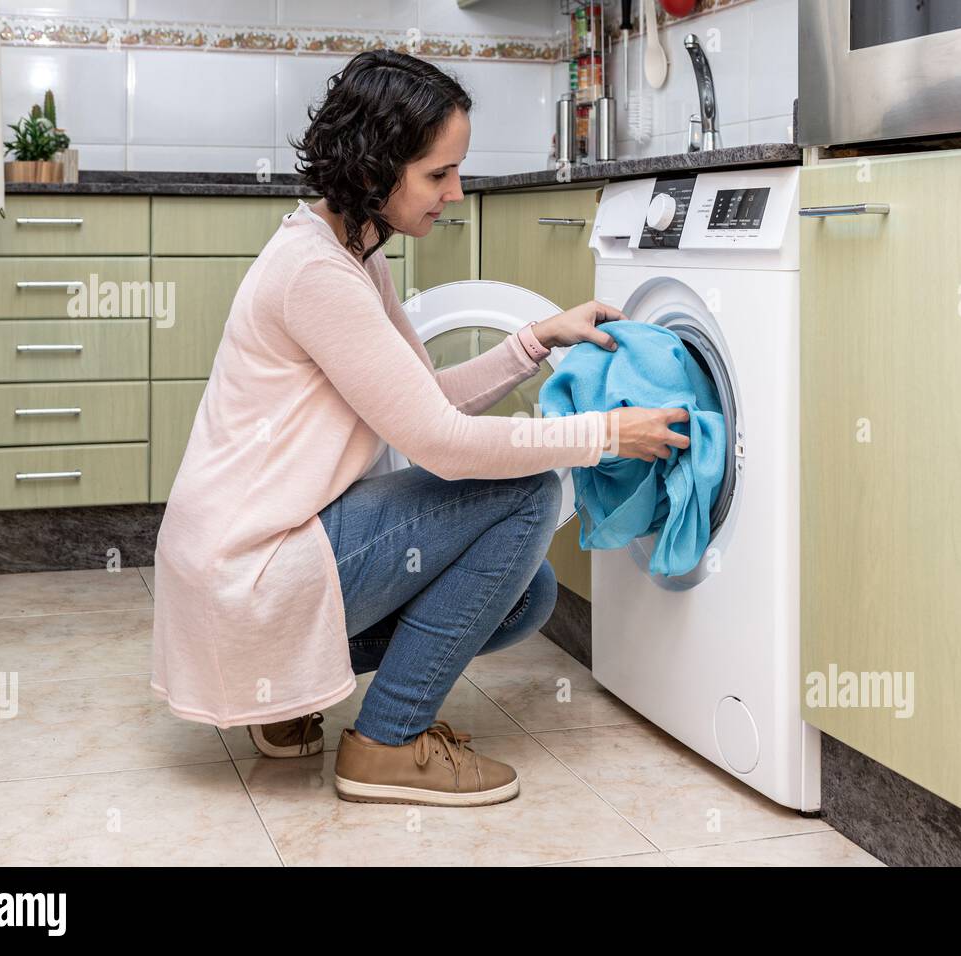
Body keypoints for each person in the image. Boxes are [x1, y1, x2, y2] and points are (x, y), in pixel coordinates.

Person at [149, 49, 689, 807]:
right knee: (528, 494)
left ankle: (286, 698)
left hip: (248, 554)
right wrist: (606, 434)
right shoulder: (319, 275)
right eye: (439, 175)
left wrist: (536, 339)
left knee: (527, 594)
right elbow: (444, 444)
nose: (456, 193)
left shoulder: (348, 251)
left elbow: (421, 400)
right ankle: (387, 741)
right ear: (376, 169)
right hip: (252, 568)